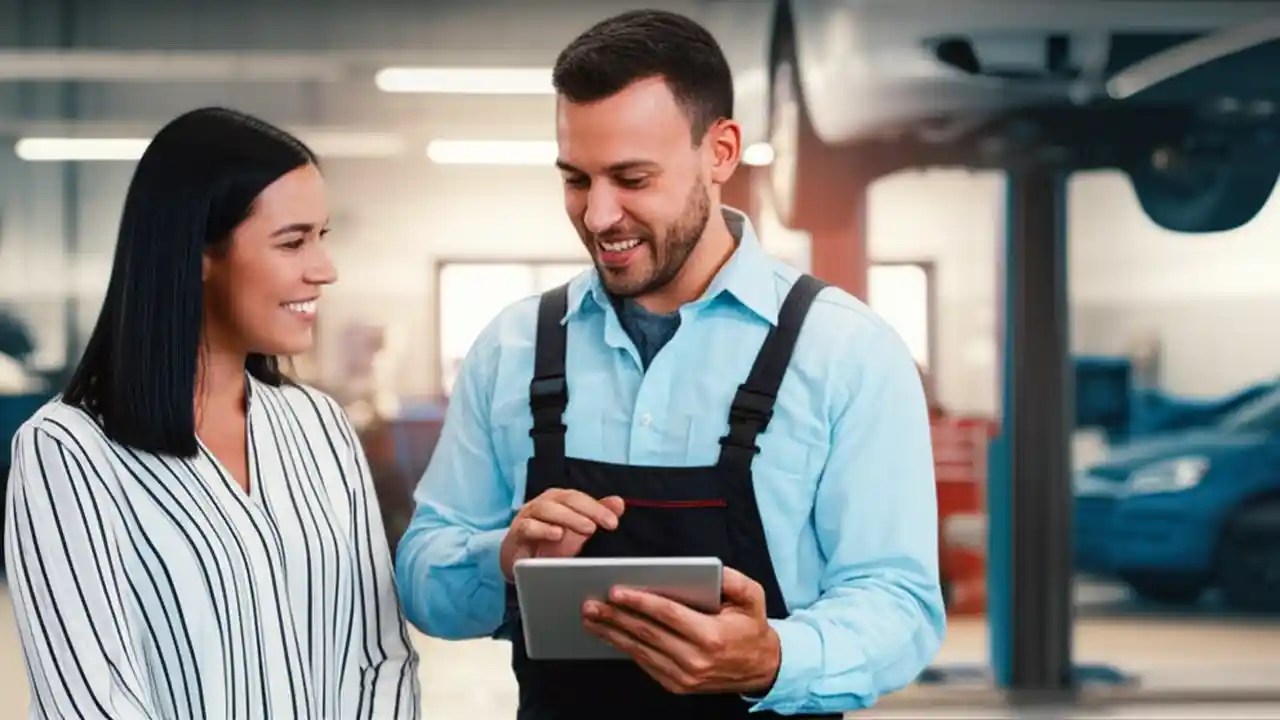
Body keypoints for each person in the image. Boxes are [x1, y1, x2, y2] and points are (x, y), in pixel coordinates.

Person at [396, 9, 945, 719]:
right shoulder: (513, 349)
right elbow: (420, 577)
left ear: (720, 152)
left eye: (631, 178)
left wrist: (774, 657)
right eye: (576, 179)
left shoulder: (845, 352)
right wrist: (502, 557)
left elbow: (898, 601)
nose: (597, 216)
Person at [2, 107, 420, 719]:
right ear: (198, 251)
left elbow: (379, 658)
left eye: (321, 237)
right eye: (292, 241)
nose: (324, 269)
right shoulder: (68, 452)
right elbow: (91, 702)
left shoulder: (322, 429)